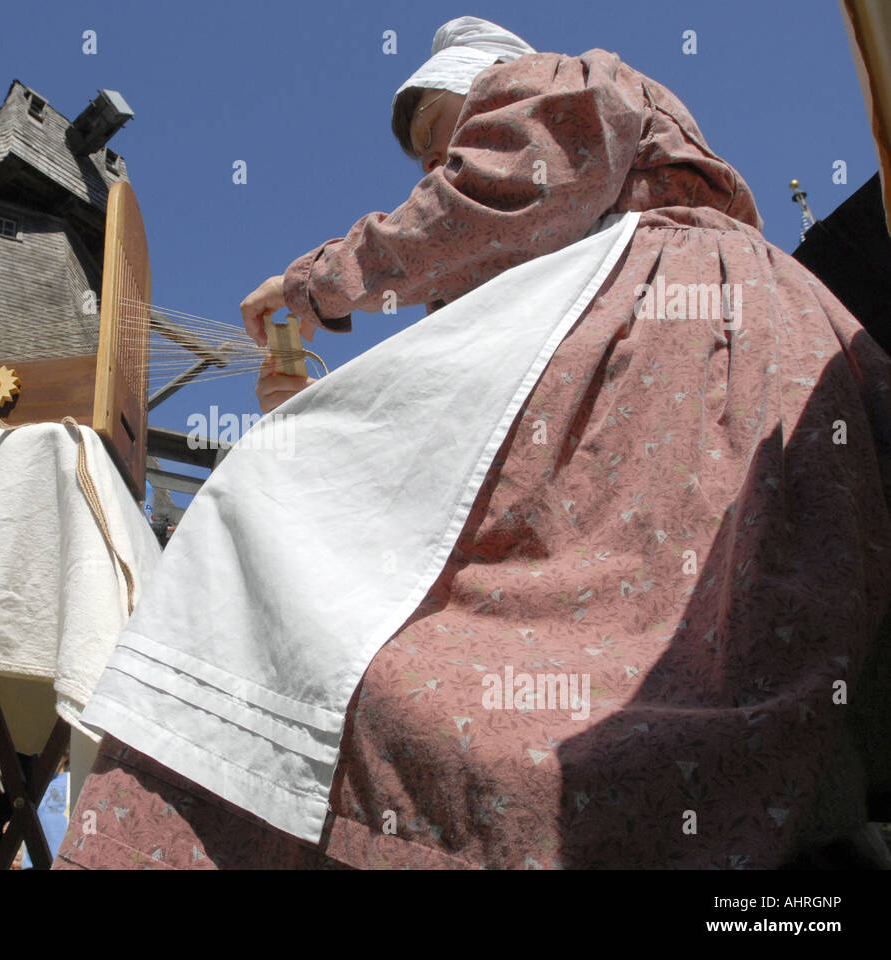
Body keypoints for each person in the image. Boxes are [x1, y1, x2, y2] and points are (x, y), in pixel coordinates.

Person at [55, 16, 891, 868]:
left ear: (492, 82)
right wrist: (309, 399)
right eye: (421, 150)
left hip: (668, 338)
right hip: (707, 345)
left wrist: (320, 285)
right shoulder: (548, 275)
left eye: (438, 133)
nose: (432, 164)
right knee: (703, 629)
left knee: (270, 496)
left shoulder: (554, 84)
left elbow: (494, 189)